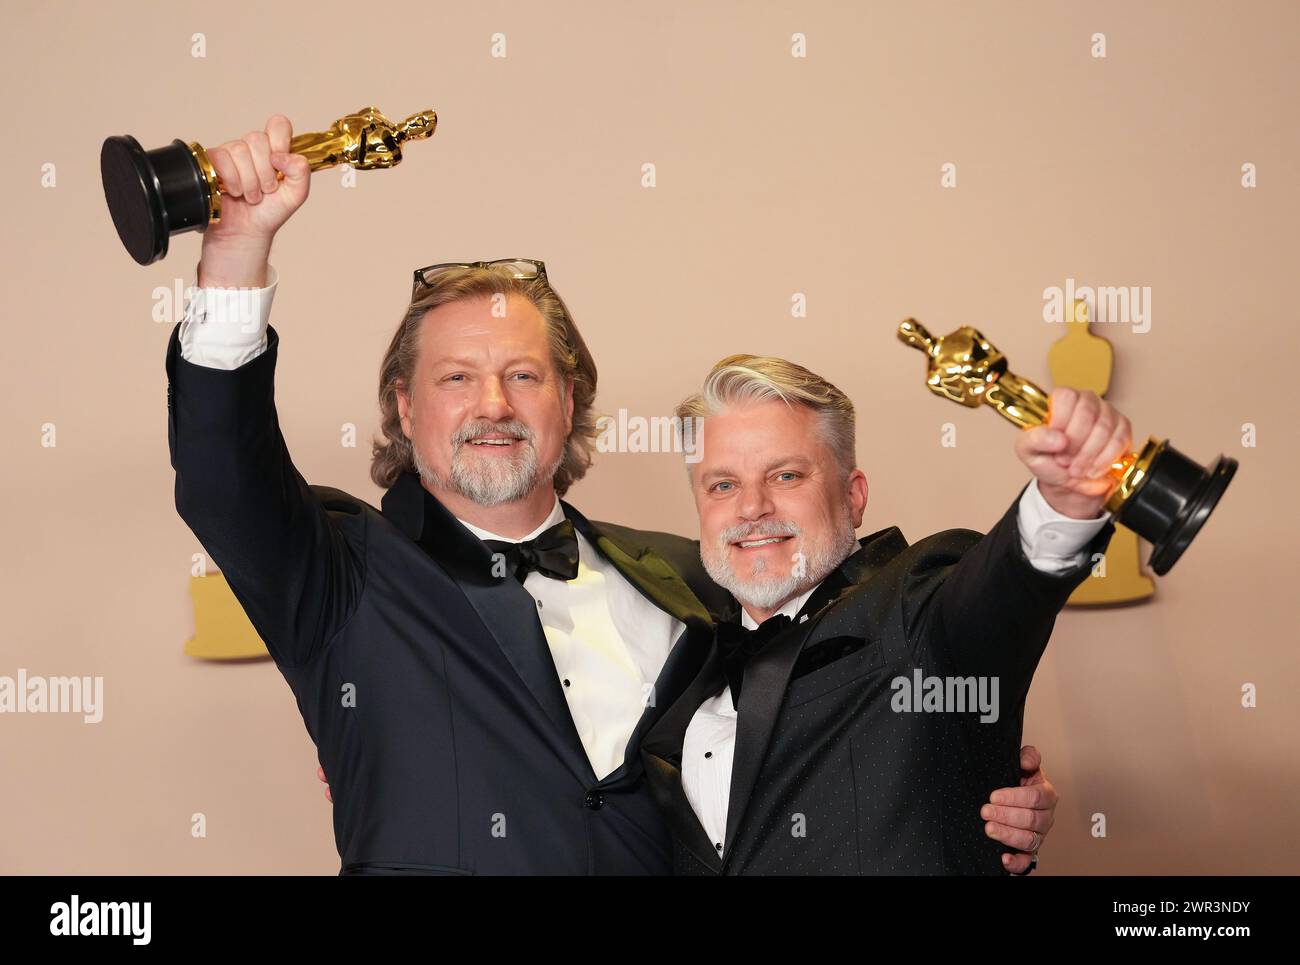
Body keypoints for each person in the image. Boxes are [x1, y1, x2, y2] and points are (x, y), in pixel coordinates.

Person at [169, 114, 1057, 874]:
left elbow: (859, 679)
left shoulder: (693, 574)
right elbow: (223, 476)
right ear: (403, 404)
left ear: (570, 401)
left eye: (524, 374)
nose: (492, 404)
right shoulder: (339, 573)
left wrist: (971, 769)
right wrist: (239, 250)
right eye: (456, 378)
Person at [642, 355, 1123, 874]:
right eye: (722, 485)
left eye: (785, 475)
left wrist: (1061, 503)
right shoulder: (681, 654)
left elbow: (999, 595)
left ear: (853, 497)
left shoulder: (915, 608)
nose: (752, 507)